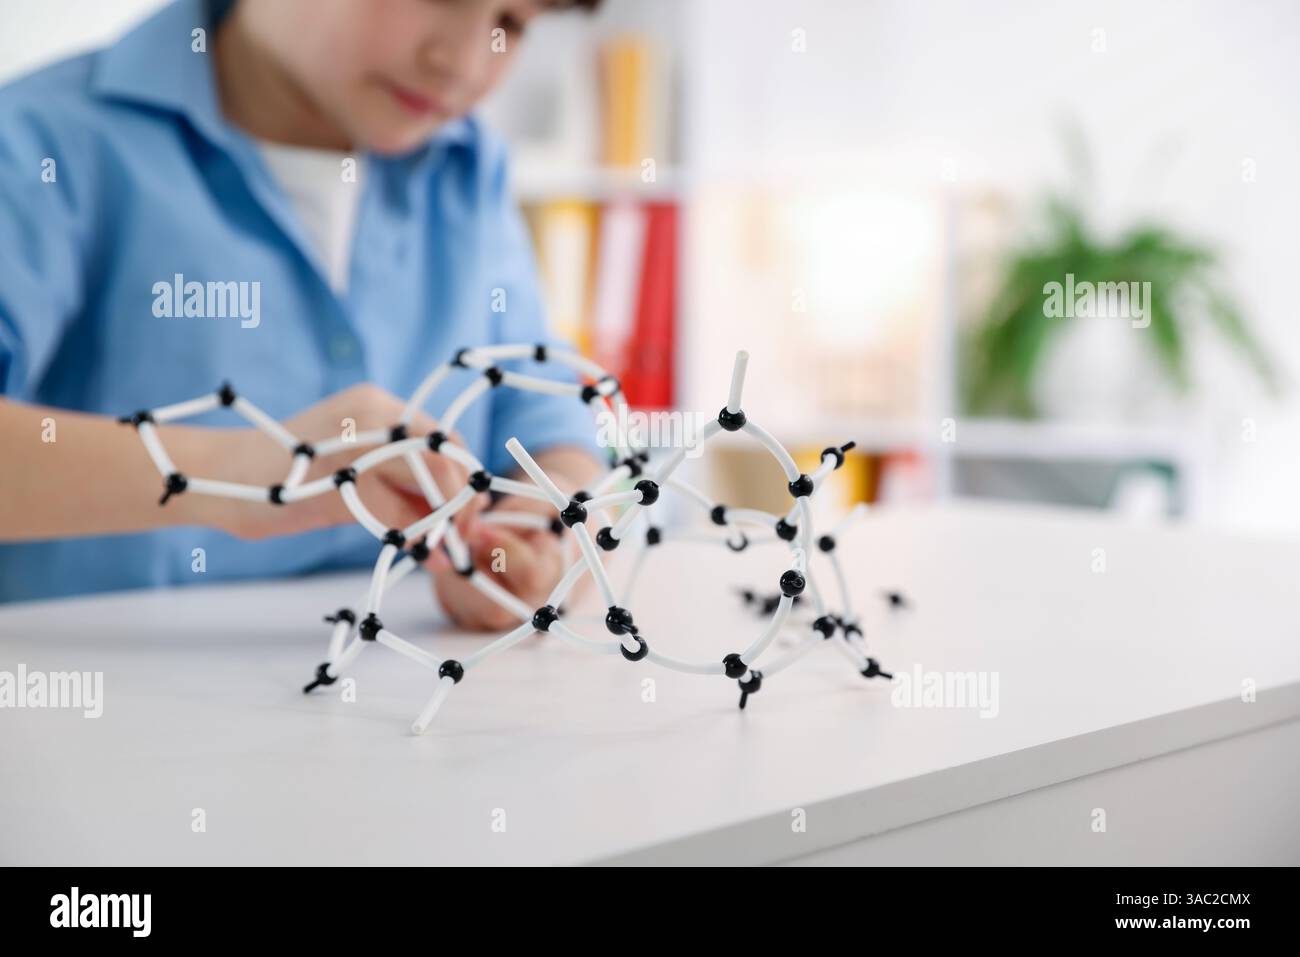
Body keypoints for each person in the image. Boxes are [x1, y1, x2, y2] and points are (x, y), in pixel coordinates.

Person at [0, 0, 606, 628]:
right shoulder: (37, 147)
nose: (464, 62)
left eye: (512, 23)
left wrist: (539, 533)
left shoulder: (467, 165)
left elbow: (545, 418)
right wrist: (243, 473)